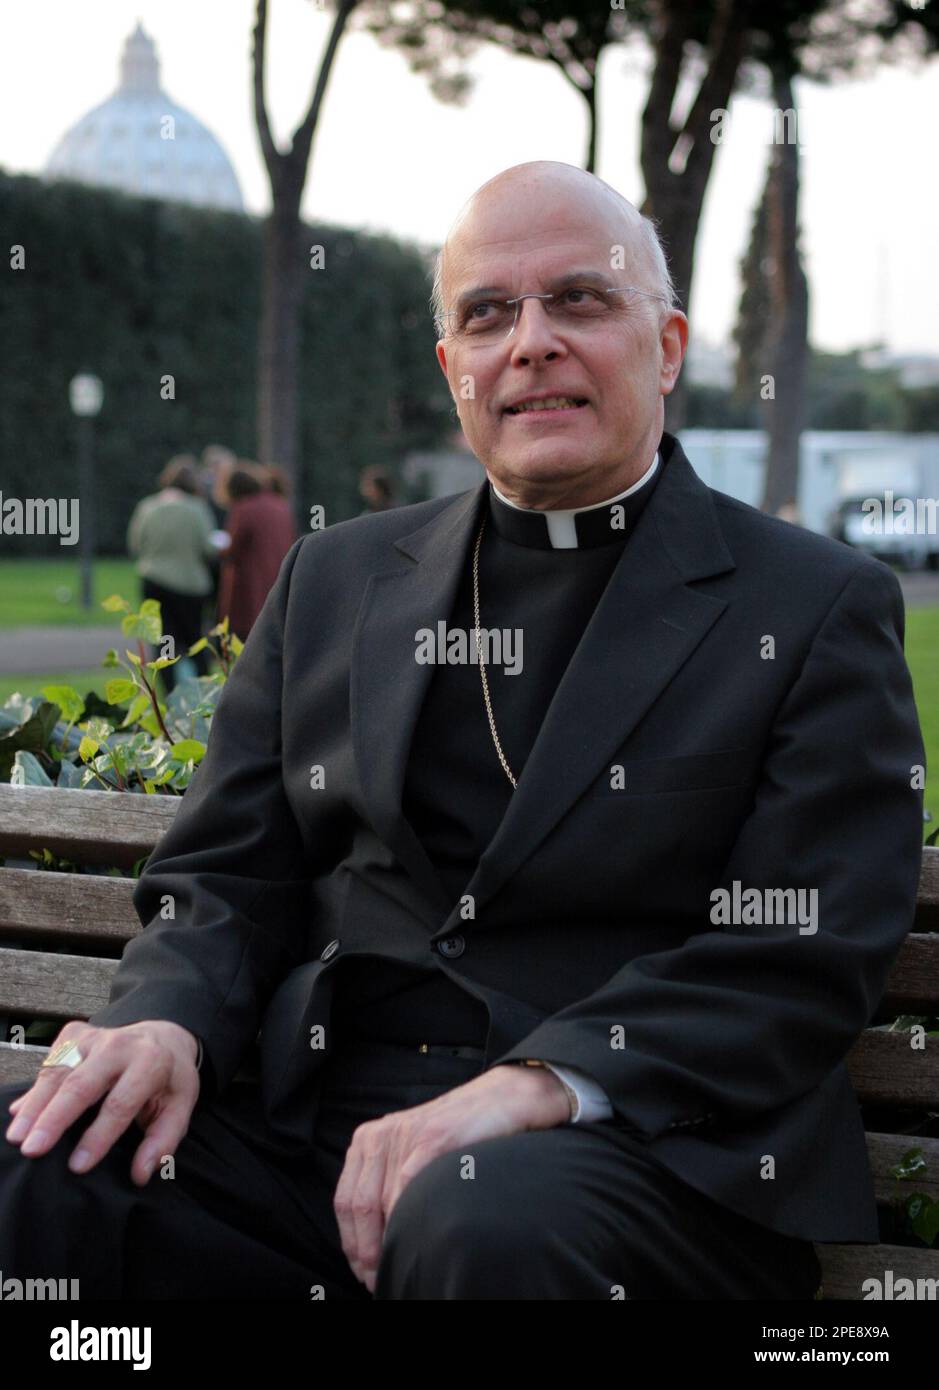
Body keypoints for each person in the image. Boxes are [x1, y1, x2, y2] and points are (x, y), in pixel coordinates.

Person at [0, 161, 924, 1301]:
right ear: (455, 371)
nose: (530, 341)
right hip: (304, 1138)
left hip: (622, 1160)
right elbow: (227, 873)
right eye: (489, 313)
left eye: (579, 299)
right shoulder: (334, 580)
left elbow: (800, 950)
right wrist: (165, 1021)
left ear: (669, 346)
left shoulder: (812, 606)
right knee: (35, 1154)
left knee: (474, 1211)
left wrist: (540, 1080)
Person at [124, 455, 217, 691]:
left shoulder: (148, 507)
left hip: (154, 581)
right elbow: (207, 547)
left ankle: (168, 692)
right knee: (195, 640)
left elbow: (135, 545)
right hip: (190, 586)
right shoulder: (197, 509)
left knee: (165, 639)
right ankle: (203, 692)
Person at [214, 464, 297, 640]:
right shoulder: (280, 504)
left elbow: (231, 550)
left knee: (246, 640)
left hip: (250, 586)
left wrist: (219, 549)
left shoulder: (244, 509)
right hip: (278, 578)